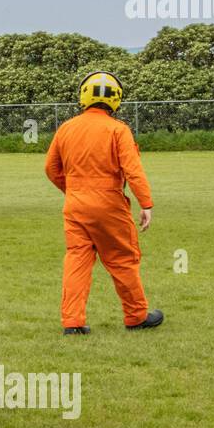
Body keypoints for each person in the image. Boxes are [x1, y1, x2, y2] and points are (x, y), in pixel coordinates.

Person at [44, 71, 163, 334]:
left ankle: (73, 322)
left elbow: (51, 168)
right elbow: (133, 170)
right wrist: (146, 203)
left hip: (75, 205)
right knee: (122, 258)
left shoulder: (66, 128)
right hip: (110, 204)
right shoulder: (118, 130)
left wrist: (72, 189)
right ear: (115, 100)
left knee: (77, 259)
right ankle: (136, 316)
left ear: (84, 96)